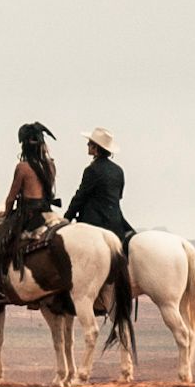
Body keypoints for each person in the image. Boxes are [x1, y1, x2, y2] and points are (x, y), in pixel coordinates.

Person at [0, 121, 60, 316]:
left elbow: (11, 197)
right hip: (47, 213)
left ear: (24, 145)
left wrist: (6, 212)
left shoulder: (23, 167)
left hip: (27, 215)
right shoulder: (50, 165)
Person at [65, 127, 134, 332]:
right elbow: (119, 196)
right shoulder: (118, 170)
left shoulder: (92, 170)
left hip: (95, 222)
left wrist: (67, 218)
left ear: (96, 148)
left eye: (90, 144)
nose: (87, 146)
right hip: (117, 222)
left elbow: (81, 196)